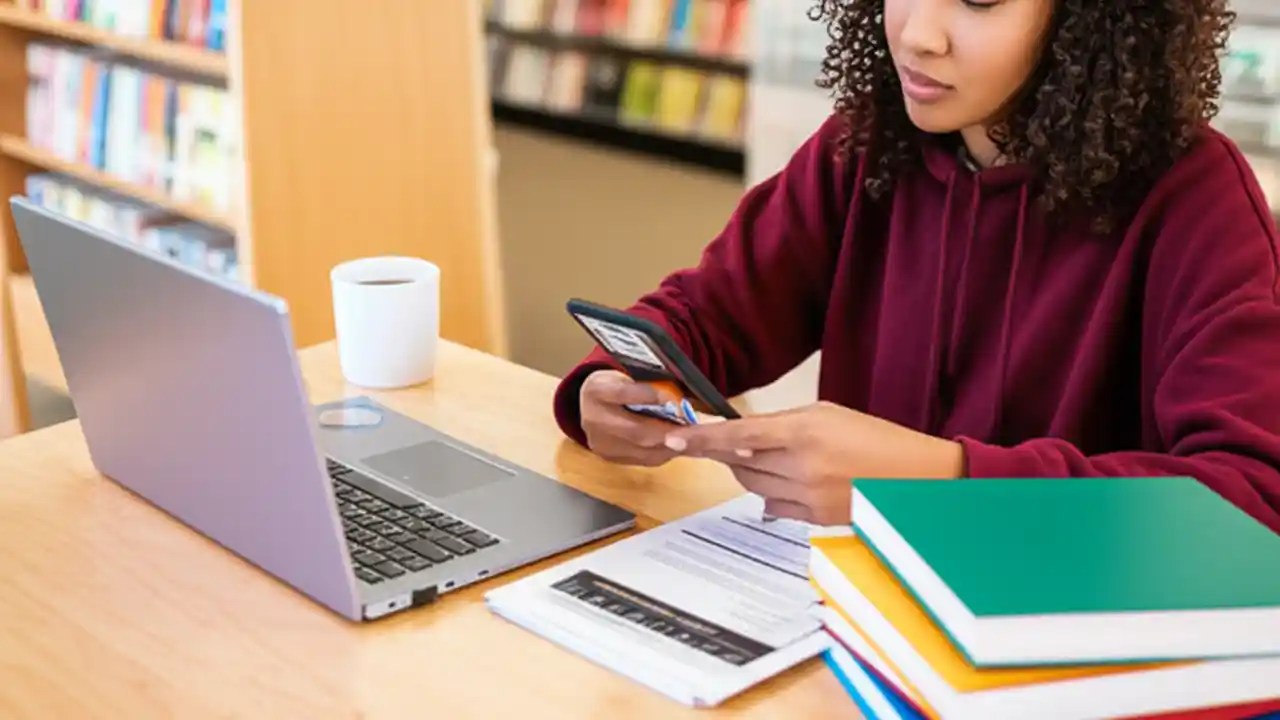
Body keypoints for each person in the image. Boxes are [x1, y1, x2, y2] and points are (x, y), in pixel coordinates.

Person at [553, 0, 1280, 533]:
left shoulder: (1196, 202)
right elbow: (711, 310)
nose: (917, 34)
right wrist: (620, 383)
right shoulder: (868, 145)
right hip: (849, 621)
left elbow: (1251, 503)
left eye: (979, 1)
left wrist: (941, 479)